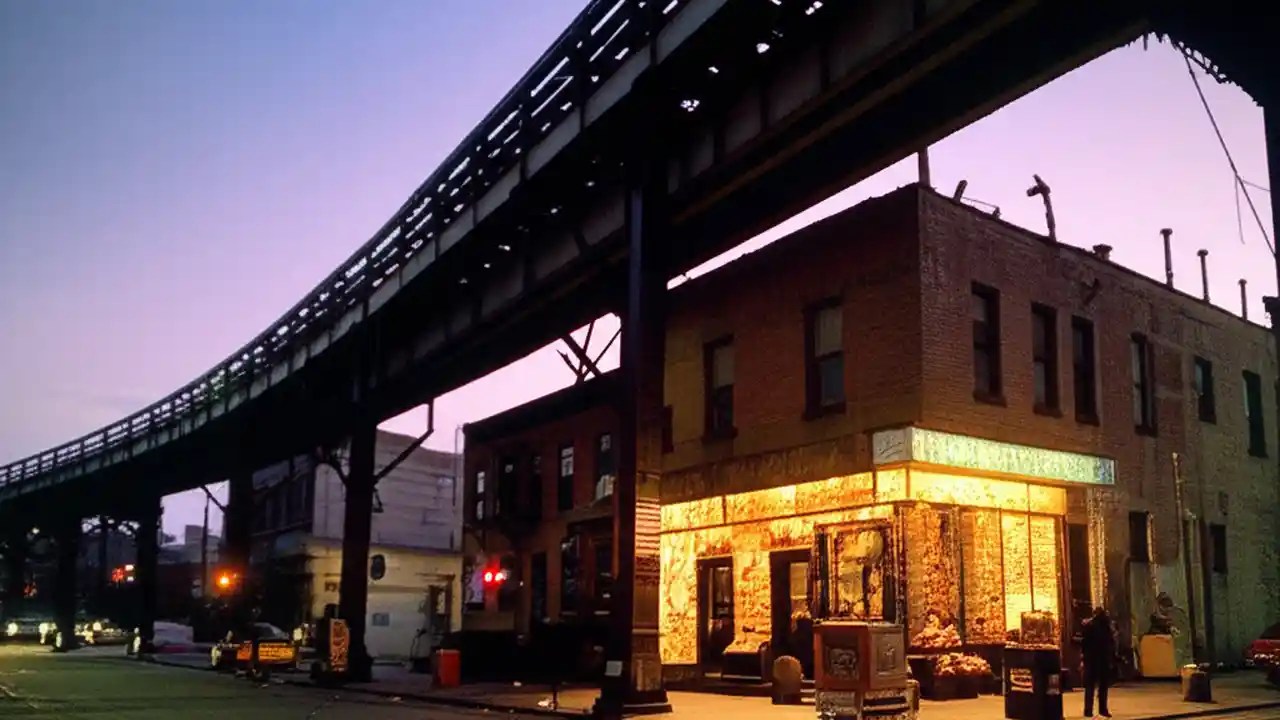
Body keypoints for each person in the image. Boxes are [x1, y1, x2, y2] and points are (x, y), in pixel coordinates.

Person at [1081, 606, 1116, 718]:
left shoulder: (1089, 626)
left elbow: (1084, 643)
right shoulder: (1106, 626)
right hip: (1103, 660)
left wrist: (1083, 657)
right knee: (1103, 687)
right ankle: (1103, 709)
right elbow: (1110, 644)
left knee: (1090, 687)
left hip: (1091, 660)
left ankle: (1088, 710)